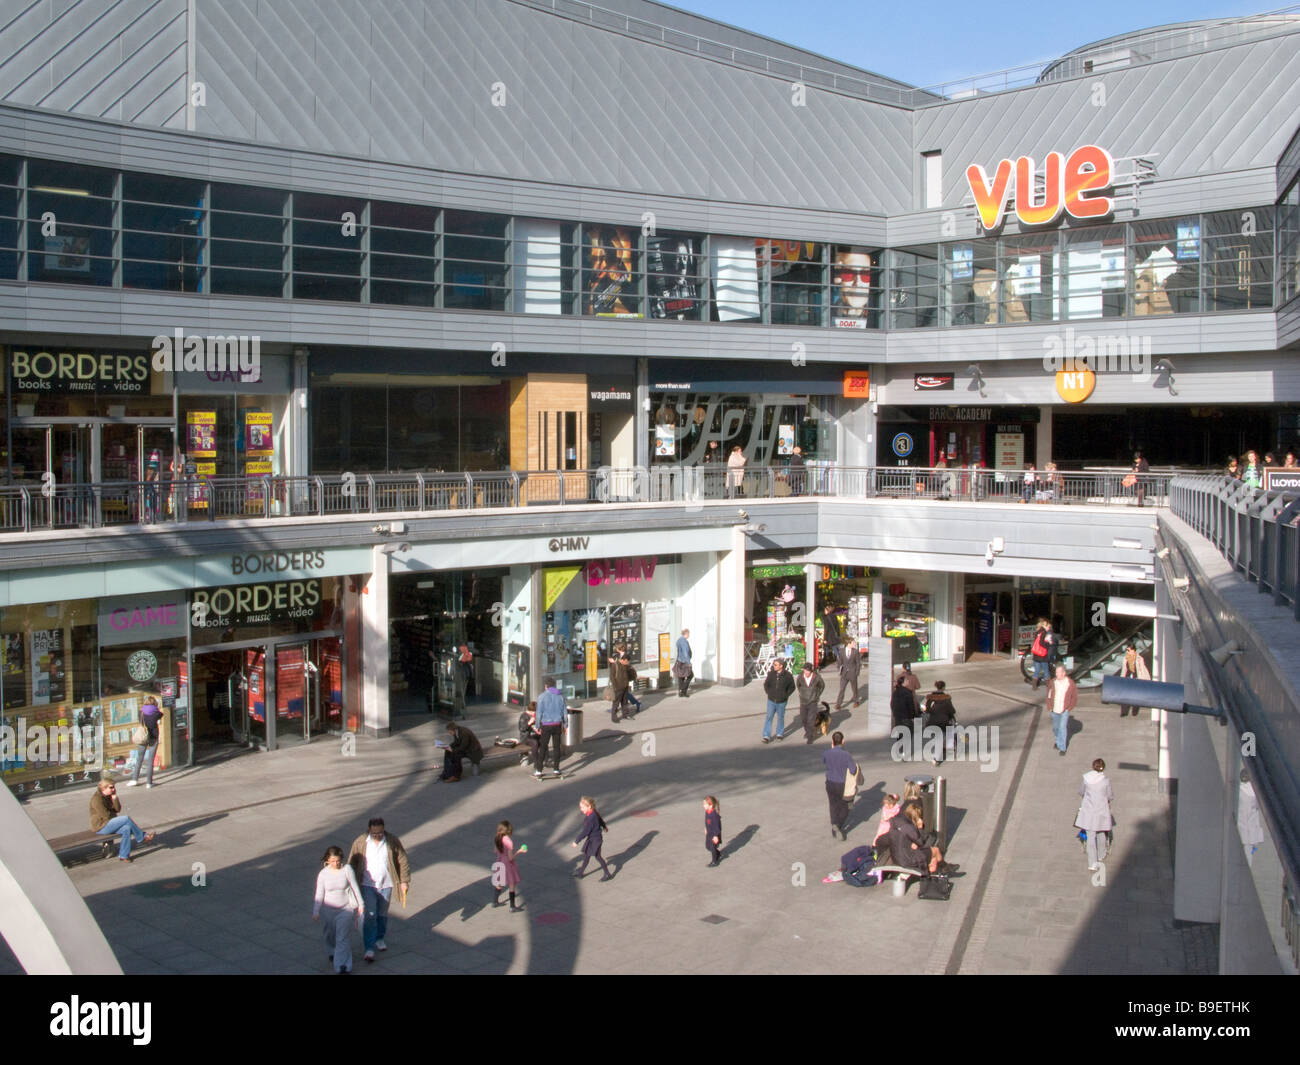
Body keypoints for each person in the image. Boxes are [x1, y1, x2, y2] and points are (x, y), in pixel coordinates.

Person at [348, 818, 411, 963]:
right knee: (370, 915)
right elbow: (352, 862)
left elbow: (402, 859)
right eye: (375, 833)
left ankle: (380, 937)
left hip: (387, 884)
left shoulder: (391, 841)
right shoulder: (360, 842)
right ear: (369, 830)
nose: (378, 835)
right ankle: (369, 947)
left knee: (382, 914)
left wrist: (404, 881)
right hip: (367, 885)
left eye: (380, 832)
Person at [313, 845, 364, 973]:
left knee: (342, 938)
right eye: (333, 861)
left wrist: (361, 905)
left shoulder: (347, 870)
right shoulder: (323, 874)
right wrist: (316, 910)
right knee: (330, 934)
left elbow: (355, 887)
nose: (336, 863)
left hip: (345, 909)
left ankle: (342, 965)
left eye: (338, 860)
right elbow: (319, 894)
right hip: (328, 910)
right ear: (327, 860)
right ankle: (331, 951)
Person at [89, 777, 155, 862]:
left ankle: (124, 855)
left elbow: (117, 809)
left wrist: (114, 798)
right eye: (111, 787)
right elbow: (105, 815)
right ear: (104, 788)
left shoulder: (108, 796)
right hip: (101, 826)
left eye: (114, 787)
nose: (113, 789)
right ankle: (142, 837)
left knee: (126, 828)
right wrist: (116, 819)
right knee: (126, 819)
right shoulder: (96, 799)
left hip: (109, 823)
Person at [889, 804, 956, 876]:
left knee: (932, 856)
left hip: (899, 857)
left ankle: (935, 873)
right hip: (908, 858)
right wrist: (920, 828)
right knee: (935, 850)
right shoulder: (909, 827)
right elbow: (921, 843)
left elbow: (904, 839)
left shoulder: (898, 823)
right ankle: (945, 867)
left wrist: (910, 843)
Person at [1075, 758, 1114, 873]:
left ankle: (1092, 862)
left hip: (1089, 811)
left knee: (1091, 835)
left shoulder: (1086, 779)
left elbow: (1081, 791)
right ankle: (1101, 854)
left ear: (1093, 766)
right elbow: (1110, 795)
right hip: (1101, 810)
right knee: (1101, 831)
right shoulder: (1105, 780)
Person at [822, 731, 858, 841]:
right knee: (845, 807)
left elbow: (824, 761)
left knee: (833, 804)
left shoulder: (826, 753)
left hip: (829, 783)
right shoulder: (846, 755)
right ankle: (838, 825)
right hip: (842, 784)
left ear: (832, 742)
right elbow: (853, 770)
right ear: (843, 741)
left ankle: (834, 824)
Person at [572, 796, 613, 881]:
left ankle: (607, 873)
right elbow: (600, 820)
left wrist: (577, 841)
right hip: (593, 839)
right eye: (580, 807)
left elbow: (586, 831)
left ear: (589, 806)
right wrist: (604, 826)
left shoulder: (591, 817)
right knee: (587, 856)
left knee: (598, 857)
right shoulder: (592, 813)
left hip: (595, 840)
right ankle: (580, 873)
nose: (581, 809)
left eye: (582, 807)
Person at [534, 677, 568, 777]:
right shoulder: (560, 696)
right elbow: (565, 712)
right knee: (557, 747)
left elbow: (538, 713)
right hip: (557, 724)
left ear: (546, 686)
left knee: (543, 747)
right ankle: (556, 769)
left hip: (546, 725)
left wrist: (537, 725)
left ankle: (539, 770)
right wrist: (565, 725)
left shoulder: (542, 697)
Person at [127, 695, 164, 789]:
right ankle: (149, 783)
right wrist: (157, 706)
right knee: (150, 761)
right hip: (153, 737)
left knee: (139, 758)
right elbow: (161, 715)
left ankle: (134, 779)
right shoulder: (156, 713)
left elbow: (141, 721)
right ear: (154, 703)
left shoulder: (141, 712)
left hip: (143, 737)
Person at [493, 820, 526, 912]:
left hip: (499, 862)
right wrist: (519, 851)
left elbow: (495, 851)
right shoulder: (509, 842)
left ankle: (495, 901)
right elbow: (510, 858)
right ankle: (512, 906)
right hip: (507, 865)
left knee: (499, 882)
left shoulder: (497, 838)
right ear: (509, 831)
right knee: (512, 884)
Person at [922, 679, 957, 766]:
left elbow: (927, 709)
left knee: (939, 738)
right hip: (944, 721)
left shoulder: (930, 698)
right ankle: (945, 750)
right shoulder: (946, 698)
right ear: (944, 687)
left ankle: (937, 758)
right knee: (947, 734)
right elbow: (952, 710)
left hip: (933, 721)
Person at [1046, 663, 1077, 756]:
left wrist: (1068, 708)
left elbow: (1074, 697)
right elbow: (1048, 694)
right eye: (1056, 672)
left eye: (1058, 672)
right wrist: (1049, 707)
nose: (1056, 674)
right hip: (1054, 709)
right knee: (1056, 728)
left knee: (1062, 728)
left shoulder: (1070, 684)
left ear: (1064, 673)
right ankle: (1057, 740)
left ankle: (1062, 747)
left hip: (1064, 710)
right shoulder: (1053, 682)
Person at [761, 657, 795, 744]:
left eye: (776, 665)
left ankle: (779, 733)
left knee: (780, 717)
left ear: (781, 666)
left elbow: (792, 687)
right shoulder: (771, 674)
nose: (774, 666)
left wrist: (785, 695)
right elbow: (766, 684)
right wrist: (769, 693)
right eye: (774, 664)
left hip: (782, 701)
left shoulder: (788, 676)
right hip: (771, 700)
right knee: (769, 717)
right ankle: (766, 736)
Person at [795, 661, 826, 744]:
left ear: (811, 671)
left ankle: (810, 736)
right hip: (803, 701)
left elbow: (822, 686)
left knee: (811, 720)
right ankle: (808, 731)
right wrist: (802, 693)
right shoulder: (800, 677)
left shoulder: (817, 677)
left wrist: (817, 694)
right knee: (803, 718)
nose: (806, 672)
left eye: (808, 671)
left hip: (813, 701)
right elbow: (798, 685)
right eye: (805, 670)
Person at [1117, 643, 1150, 717]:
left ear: (1133, 650)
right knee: (1125, 695)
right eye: (1127, 651)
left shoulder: (1139, 658)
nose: (1128, 652)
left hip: (1136, 678)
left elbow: (1142, 669)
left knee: (1136, 695)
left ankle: (1135, 711)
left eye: (1129, 650)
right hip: (1127, 678)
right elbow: (1124, 669)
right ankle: (1124, 711)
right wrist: (1122, 678)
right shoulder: (1125, 658)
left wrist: (1144, 679)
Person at [1028, 619, 1057, 690]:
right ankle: (1049, 685)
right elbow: (1042, 643)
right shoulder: (1044, 633)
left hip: (1036, 654)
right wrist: (1048, 644)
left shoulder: (1037, 632)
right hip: (1043, 655)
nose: (1049, 628)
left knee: (1037, 670)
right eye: (1048, 626)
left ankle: (1034, 686)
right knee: (1046, 670)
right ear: (1044, 626)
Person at [609, 647, 635, 723]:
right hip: (618, 687)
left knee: (625, 702)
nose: (627, 662)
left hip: (625, 686)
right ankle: (614, 717)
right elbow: (612, 677)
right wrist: (615, 686)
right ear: (622, 660)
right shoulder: (615, 665)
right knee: (616, 703)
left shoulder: (627, 666)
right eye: (626, 661)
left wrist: (631, 669)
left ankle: (625, 714)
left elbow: (632, 676)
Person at [836, 637, 862, 710]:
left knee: (854, 688)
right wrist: (839, 668)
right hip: (844, 673)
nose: (854, 644)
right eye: (853, 643)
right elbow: (839, 661)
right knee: (842, 689)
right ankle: (838, 704)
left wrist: (857, 672)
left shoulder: (855, 651)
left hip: (853, 673)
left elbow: (858, 663)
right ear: (848, 643)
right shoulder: (842, 651)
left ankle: (856, 701)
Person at [517, 702, 541, 767]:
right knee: (534, 743)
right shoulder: (523, 716)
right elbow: (522, 728)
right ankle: (536, 762)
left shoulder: (534, 715)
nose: (535, 713)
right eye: (534, 711)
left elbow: (535, 727)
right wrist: (529, 723)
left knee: (543, 739)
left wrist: (538, 730)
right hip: (525, 737)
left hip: (533, 735)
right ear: (531, 711)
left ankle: (546, 759)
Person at [704, 795, 723, 867]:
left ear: (711, 805)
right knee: (708, 846)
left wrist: (716, 836)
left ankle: (714, 861)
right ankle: (717, 853)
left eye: (705, 804)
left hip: (714, 834)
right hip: (709, 832)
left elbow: (717, 826)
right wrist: (705, 828)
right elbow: (706, 821)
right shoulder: (707, 812)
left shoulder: (714, 815)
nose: (703, 806)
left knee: (712, 847)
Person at [674, 629, 694, 697]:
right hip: (684, 661)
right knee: (690, 675)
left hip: (679, 661)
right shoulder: (684, 641)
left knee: (681, 677)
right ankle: (683, 690)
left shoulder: (679, 640)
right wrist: (688, 663)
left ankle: (681, 692)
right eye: (689, 634)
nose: (689, 635)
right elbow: (685, 653)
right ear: (686, 634)